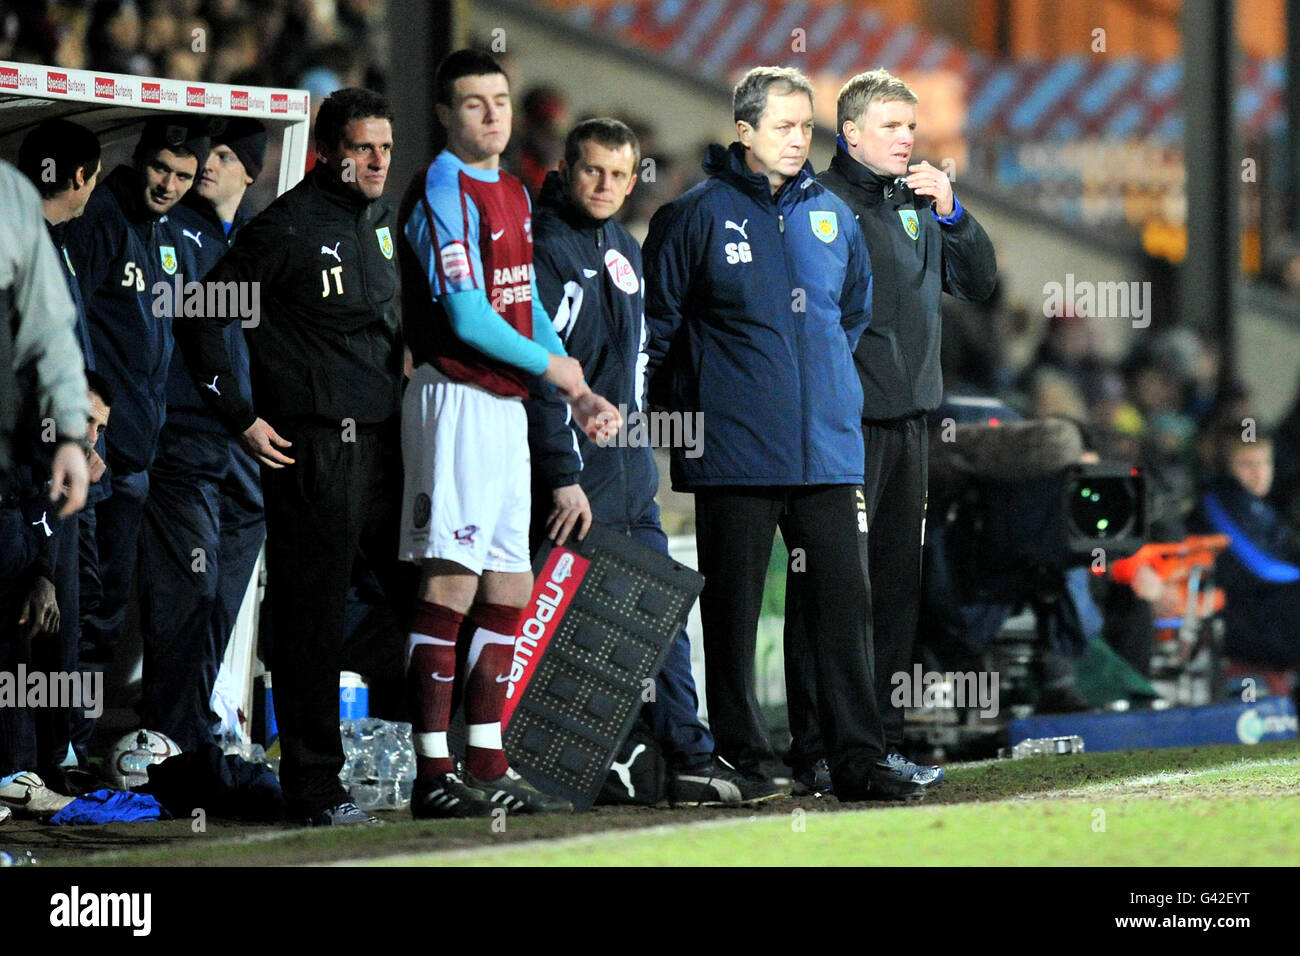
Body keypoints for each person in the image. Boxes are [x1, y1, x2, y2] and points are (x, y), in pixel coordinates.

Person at [642, 66, 923, 801]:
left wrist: (821, 393)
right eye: (784, 126)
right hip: (733, 451)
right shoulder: (693, 216)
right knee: (731, 616)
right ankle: (745, 756)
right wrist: (695, 417)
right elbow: (660, 334)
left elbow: (847, 316)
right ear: (744, 131)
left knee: (844, 606)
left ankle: (856, 758)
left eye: (806, 127)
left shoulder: (832, 216)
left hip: (829, 448)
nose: (800, 140)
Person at [527, 117, 781, 805]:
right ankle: (551, 767)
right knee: (561, 632)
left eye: (619, 173)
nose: (607, 186)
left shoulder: (623, 249)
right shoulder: (543, 251)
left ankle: (687, 759)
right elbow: (536, 372)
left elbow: (638, 364)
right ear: (566, 171)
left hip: (632, 471)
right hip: (576, 476)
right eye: (592, 171)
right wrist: (560, 473)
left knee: (662, 620)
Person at [397, 50, 620, 818]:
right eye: (473, 103)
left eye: (500, 100)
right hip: (454, 399)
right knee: (450, 583)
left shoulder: (516, 191)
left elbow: (519, 312)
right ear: (444, 113)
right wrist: (555, 372)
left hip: (505, 406)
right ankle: (433, 776)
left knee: (510, 585)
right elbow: (465, 316)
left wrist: (577, 389)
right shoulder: (442, 187)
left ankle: (486, 763)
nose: (492, 115)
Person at [187, 88, 411, 826]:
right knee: (311, 617)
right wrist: (241, 417)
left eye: (385, 146)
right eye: (363, 149)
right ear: (328, 153)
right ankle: (313, 786)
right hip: (311, 447)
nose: (378, 161)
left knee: (420, 594)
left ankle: (422, 754)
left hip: (383, 445)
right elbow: (202, 314)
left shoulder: (378, 220)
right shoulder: (284, 228)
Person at [785, 69, 998, 792]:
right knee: (834, 591)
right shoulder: (820, 204)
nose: (907, 139)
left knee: (897, 589)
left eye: (911, 126)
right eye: (891, 126)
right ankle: (818, 748)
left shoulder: (916, 203)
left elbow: (979, 283)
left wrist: (954, 215)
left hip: (911, 428)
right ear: (849, 134)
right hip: (844, 431)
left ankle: (882, 742)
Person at [62, 117, 209, 758]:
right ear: (138, 160)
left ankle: (78, 744)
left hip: (136, 460)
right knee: (80, 605)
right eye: (160, 169)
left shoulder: (165, 235)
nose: (169, 185)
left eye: (183, 176)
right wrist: (82, 437)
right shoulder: (101, 220)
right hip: (94, 458)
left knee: (106, 607)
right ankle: (54, 749)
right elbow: (66, 323)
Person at [138, 119, 268, 751]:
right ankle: (170, 734)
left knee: (221, 590)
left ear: (250, 169)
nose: (206, 165)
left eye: (222, 155)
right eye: (202, 154)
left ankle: (195, 723)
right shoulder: (171, 229)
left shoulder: (256, 238)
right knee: (191, 586)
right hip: (183, 439)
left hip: (243, 447)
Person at [15, 120, 104, 790]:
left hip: (52, 458)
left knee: (57, 612)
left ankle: (51, 756)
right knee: (31, 609)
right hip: (30, 467)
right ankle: (20, 764)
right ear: (81, 178)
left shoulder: (57, 246)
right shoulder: (35, 247)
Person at [0, 158, 91, 787]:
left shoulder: (8, 192)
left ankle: (11, 772)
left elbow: (49, 325)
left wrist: (69, 430)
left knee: (10, 627)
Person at [1191, 429, 1300, 673]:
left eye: (1264, 462)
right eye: (1247, 464)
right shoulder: (1218, 503)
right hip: (1236, 615)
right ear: (1226, 467)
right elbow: (1261, 567)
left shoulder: (1260, 508)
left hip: (1267, 608)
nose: (1259, 473)